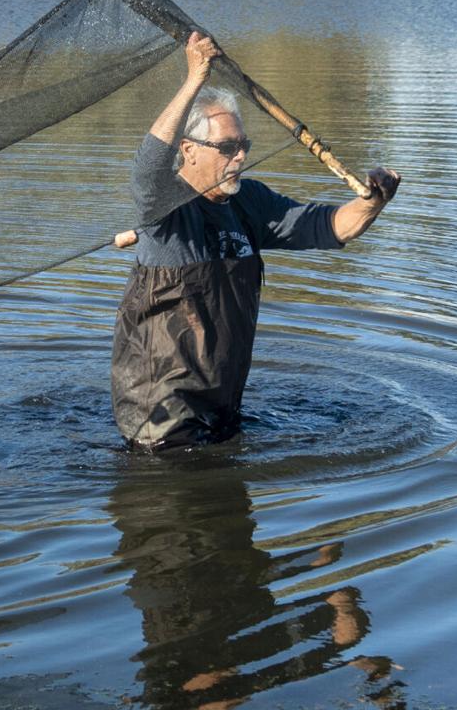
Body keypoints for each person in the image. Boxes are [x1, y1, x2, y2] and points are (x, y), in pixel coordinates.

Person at [112, 32, 401, 450]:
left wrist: (374, 201)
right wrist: (194, 79)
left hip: (221, 405)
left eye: (244, 145)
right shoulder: (165, 206)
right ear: (189, 150)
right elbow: (146, 167)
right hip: (161, 412)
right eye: (227, 147)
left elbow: (329, 227)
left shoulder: (249, 201)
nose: (241, 157)